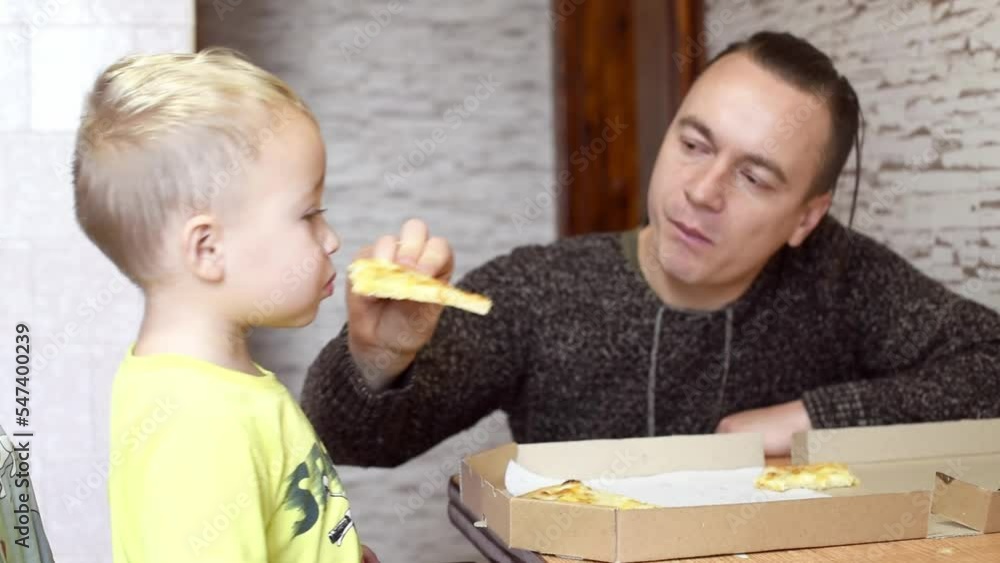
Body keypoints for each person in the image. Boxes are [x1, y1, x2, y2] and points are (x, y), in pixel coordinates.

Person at [301, 31, 1000, 465]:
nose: (703, 190)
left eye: (754, 177)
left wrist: (812, 419)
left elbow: (987, 364)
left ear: (806, 217)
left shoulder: (838, 278)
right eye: (694, 144)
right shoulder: (543, 292)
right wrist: (376, 359)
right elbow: (352, 440)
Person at [73, 49, 378, 562]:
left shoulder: (216, 386)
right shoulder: (199, 423)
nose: (331, 240)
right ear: (208, 249)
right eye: (309, 215)